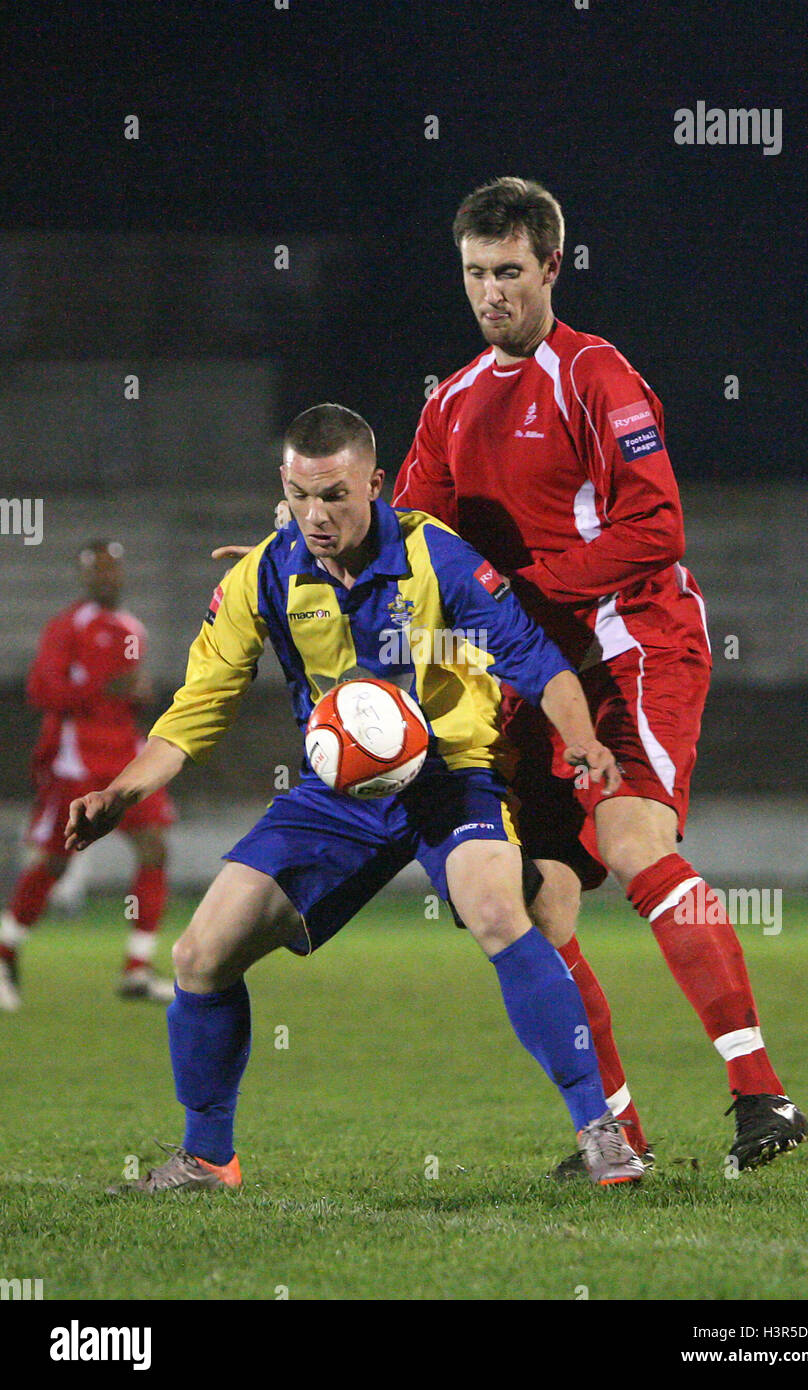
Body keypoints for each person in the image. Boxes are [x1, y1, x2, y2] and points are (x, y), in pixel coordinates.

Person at [65, 403, 646, 1192]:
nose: (317, 514)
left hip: (449, 775)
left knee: (499, 911)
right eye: (301, 495)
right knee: (200, 957)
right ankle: (208, 1158)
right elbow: (198, 708)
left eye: (335, 494)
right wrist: (121, 791)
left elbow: (534, 658)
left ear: (375, 484)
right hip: (336, 795)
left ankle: (601, 1133)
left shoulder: (438, 559)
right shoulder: (261, 576)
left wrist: (580, 738)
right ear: (283, 485)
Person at [392, 177, 808, 1173]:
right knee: (535, 899)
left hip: (636, 642)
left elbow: (656, 526)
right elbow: (409, 542)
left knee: (627, 834)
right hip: (533, 673)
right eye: (472, 273)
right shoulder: (448, 406)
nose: (489, 292)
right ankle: (615, 1131)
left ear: (551, 267)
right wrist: (296, 560)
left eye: (507, 271)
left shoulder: (595, 375)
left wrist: (522, 589)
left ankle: (760, 1093)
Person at [0, 540, 175, 1010]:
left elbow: (124, 695)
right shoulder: (67, 626)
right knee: (56, 862)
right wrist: (103, 688)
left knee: (155, 849)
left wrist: (137, 693)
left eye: (111, 569)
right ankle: (4, 954)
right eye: (96, 571)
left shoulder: (131, 628)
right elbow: (41, 690)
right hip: (78, 759)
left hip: (125, 756)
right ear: (84, 577)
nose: (106, 578)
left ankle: (137, 969)